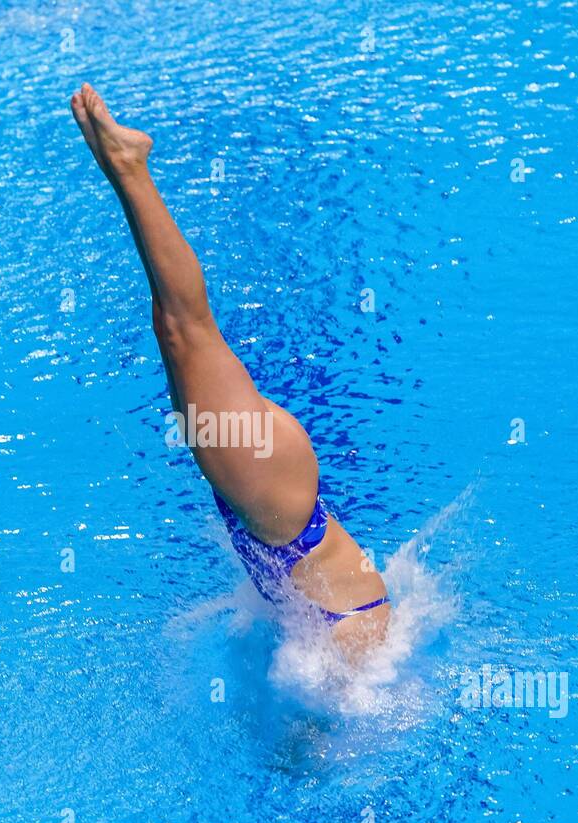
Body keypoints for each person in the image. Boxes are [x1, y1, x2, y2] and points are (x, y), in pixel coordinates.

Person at [71, 84, 389, 660]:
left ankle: (122, 172)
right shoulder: (358, 663)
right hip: (280, 510)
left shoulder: (354, 644)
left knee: (174, 335)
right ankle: (129, 166)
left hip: (278, 517)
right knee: (186, 330)